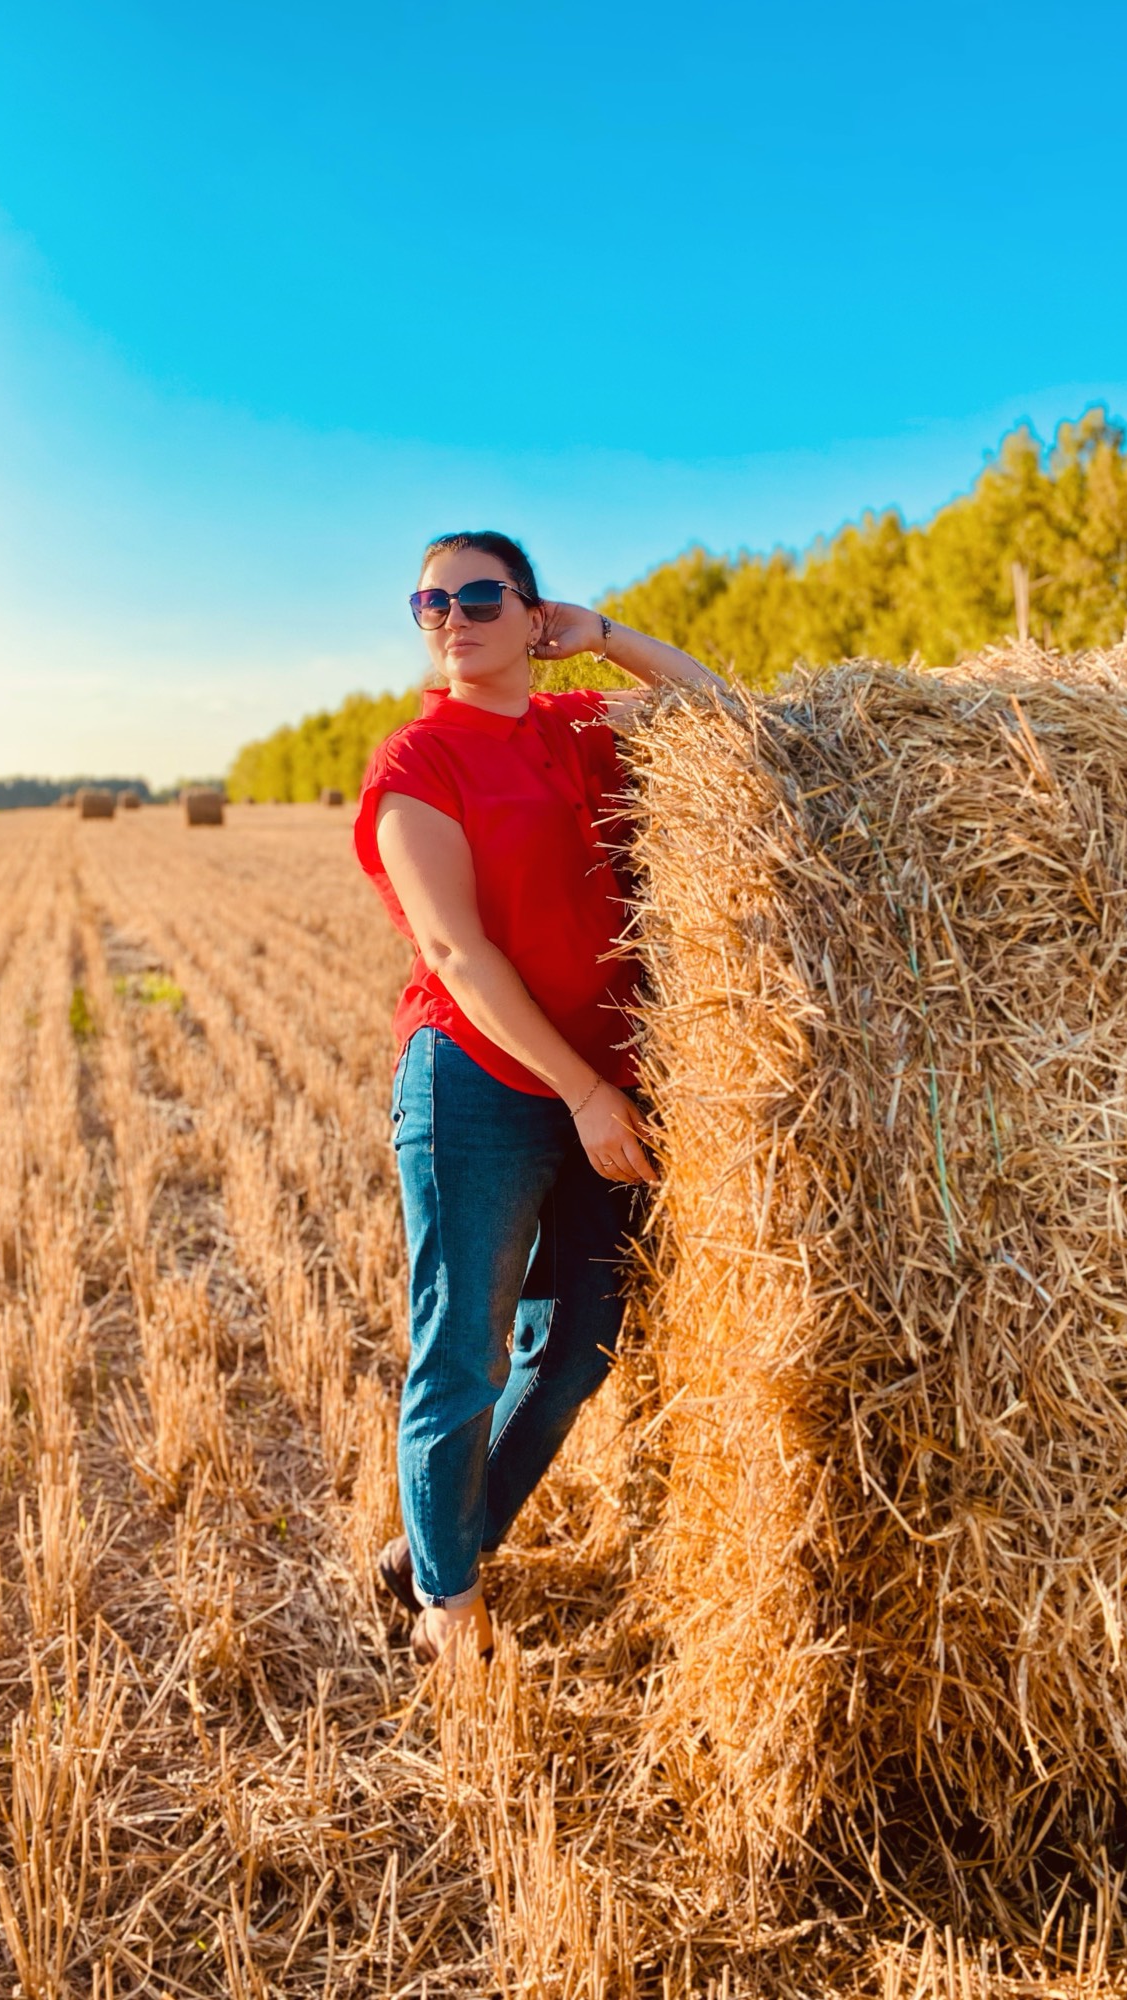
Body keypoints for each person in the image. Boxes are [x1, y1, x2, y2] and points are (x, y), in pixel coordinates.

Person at [354, 530, 726, 1666]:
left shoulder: (574, 725)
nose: (452, 615)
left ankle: (426, 1556)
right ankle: (451, 1613)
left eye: (479, 595)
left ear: (529, 613)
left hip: (602, 1080)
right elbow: (458, 954)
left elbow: (724, 714)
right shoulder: (416, 760)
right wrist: (582, 1095)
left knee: (574, 1349)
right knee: (463, 1354)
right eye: (431, 600)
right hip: (481, 1080)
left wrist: (607, 637)